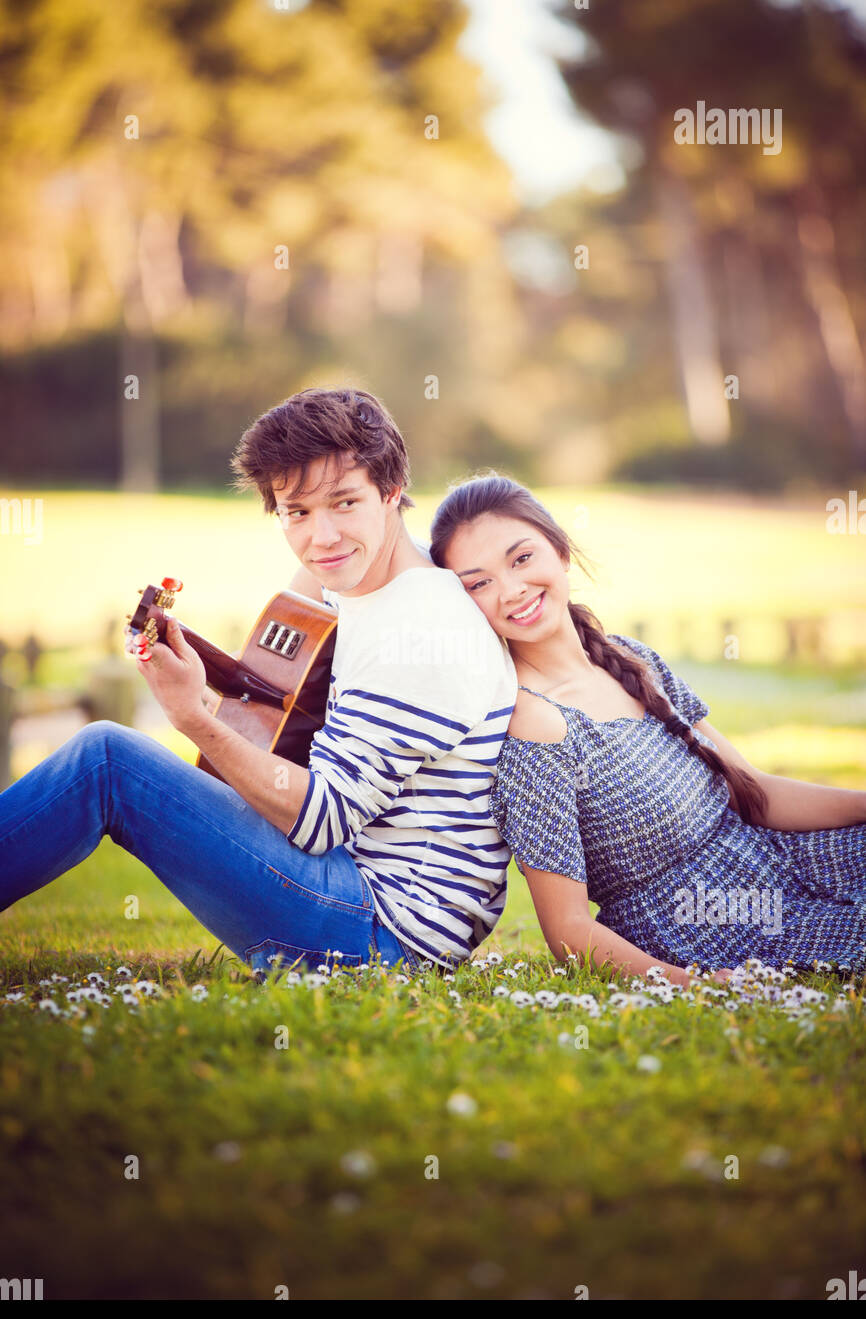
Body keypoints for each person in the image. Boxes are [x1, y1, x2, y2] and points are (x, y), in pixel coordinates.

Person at [0, 389, 517, 979]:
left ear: (392, 492)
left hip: (382, 935)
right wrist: (180, 646)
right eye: (296, 512)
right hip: (362, 892)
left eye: (344, 502)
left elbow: (323, 819)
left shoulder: (419, 630)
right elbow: (287, 638)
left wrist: (192, 716)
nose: (320, 537)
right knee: (109, 760)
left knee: (108, 763)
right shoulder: (366, 579)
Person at [429, 473, 866, 985]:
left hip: (781, 863)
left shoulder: (628, 658)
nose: (511, 590)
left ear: (560, 552)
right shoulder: (535, 727)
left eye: (521, 558)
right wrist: (702, 985)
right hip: (711, 919)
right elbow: (567, 929)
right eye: (479, 583)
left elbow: (756, 794)